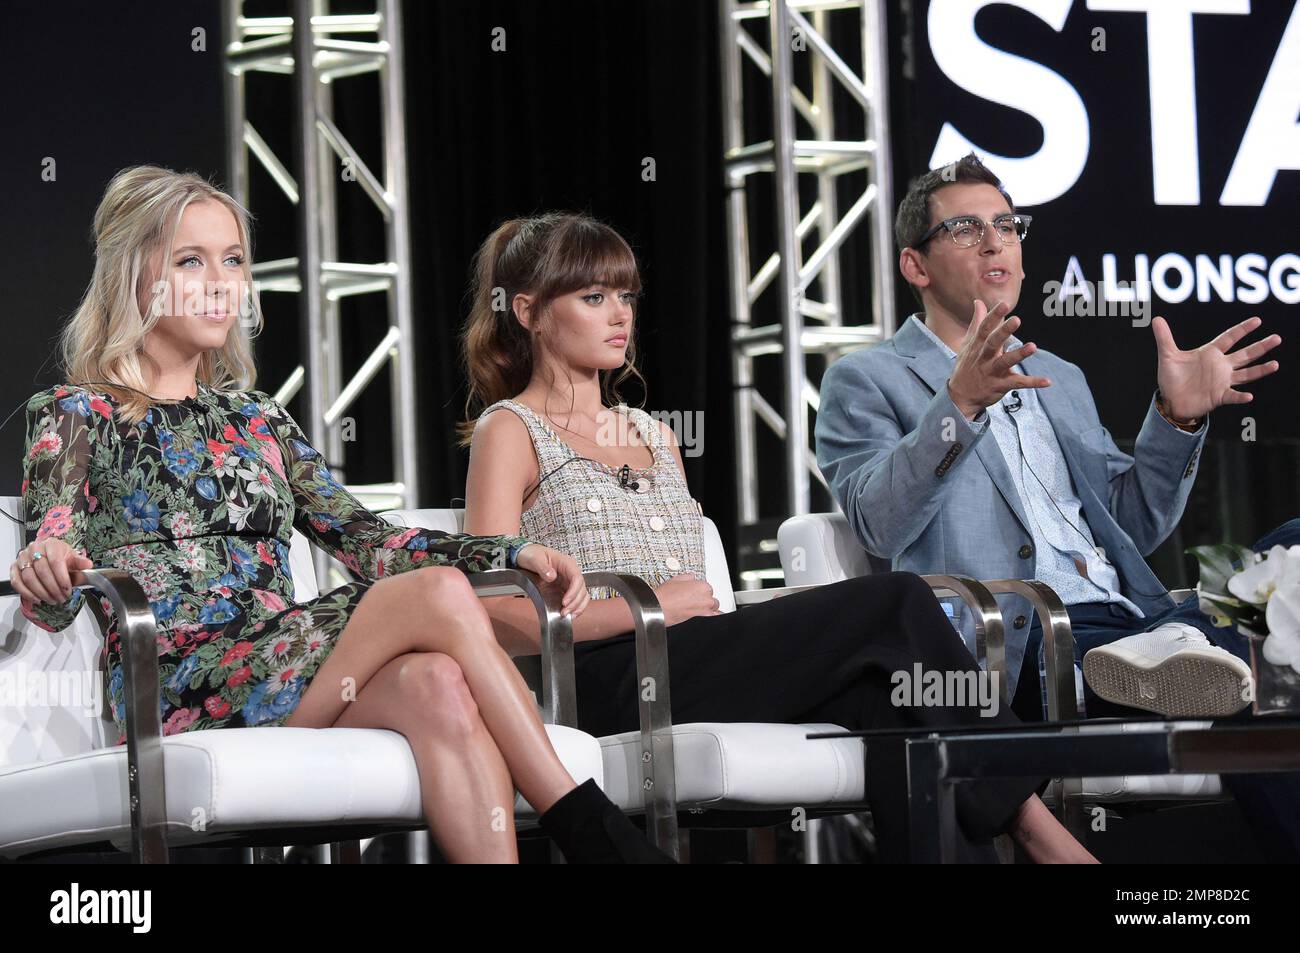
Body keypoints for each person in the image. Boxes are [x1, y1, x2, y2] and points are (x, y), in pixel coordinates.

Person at [10, 165, 673, 864]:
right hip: (178, 681)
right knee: (440, 597)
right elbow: (54, 559)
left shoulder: (259, 418)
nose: (220, 281)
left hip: (283, 660)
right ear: (136, 276)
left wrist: (506, 555)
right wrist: (46, 570)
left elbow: (370, 542)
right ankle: (588, 826)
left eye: (233, 260)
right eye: (190, 259)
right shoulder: (78, 413)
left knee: (439, 684)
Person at [456, 211, 1097, 863]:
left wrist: (682, 609)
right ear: (530, 311)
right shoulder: (509, 430)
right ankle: (1042, 833)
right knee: (895, 601)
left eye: (625, 295)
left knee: (893, 705)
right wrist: (652, 606)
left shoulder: (655, 433)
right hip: (608, 678)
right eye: (594, 297)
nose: (620, 314)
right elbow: (490, 616)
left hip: (698, 657)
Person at [814, 152, 1296, 860]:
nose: (994, 241)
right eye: (967, 229)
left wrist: (1177, 417)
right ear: (915, 266)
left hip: (1137, 617)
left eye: (1006, 225)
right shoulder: (866, 379)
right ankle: (1191, 644)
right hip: (1031, 638)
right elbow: (879, 521)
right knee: (1262, 674)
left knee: (1290, 550)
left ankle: (1182, 642)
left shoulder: (1060, 375)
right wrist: (960, 403)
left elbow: (1129, 526)